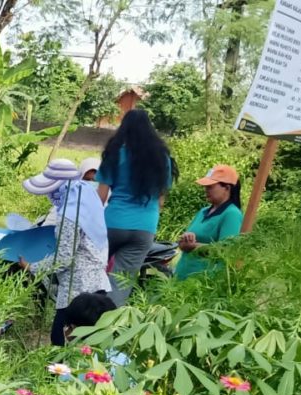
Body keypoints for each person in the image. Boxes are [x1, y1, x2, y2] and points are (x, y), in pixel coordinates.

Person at [24, 160, 112, 346]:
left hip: (78, 289)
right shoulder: (88, 203)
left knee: (61, 341)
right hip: (97, 285)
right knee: (89, 345)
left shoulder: (70, 213)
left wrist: (32, 267)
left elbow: (63, 259)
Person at [94, 109, 174, 304]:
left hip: (113, 223)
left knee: (93, 270)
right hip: (145, 227)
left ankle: (84, 314)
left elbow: (100, 198)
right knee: (121, 282)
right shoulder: (162, 159)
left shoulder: (115, 154)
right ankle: (109, 320)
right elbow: (161, 201)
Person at [174, 164, 244, 280]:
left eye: (210, 187)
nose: (206, 190)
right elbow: (183, 243)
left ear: (227, 188)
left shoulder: (232, 214)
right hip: (183, 277)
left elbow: (226, 250)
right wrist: (185, 240)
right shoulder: (203, 211)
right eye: (205, 187)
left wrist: (194, 246)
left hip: (205, 281)